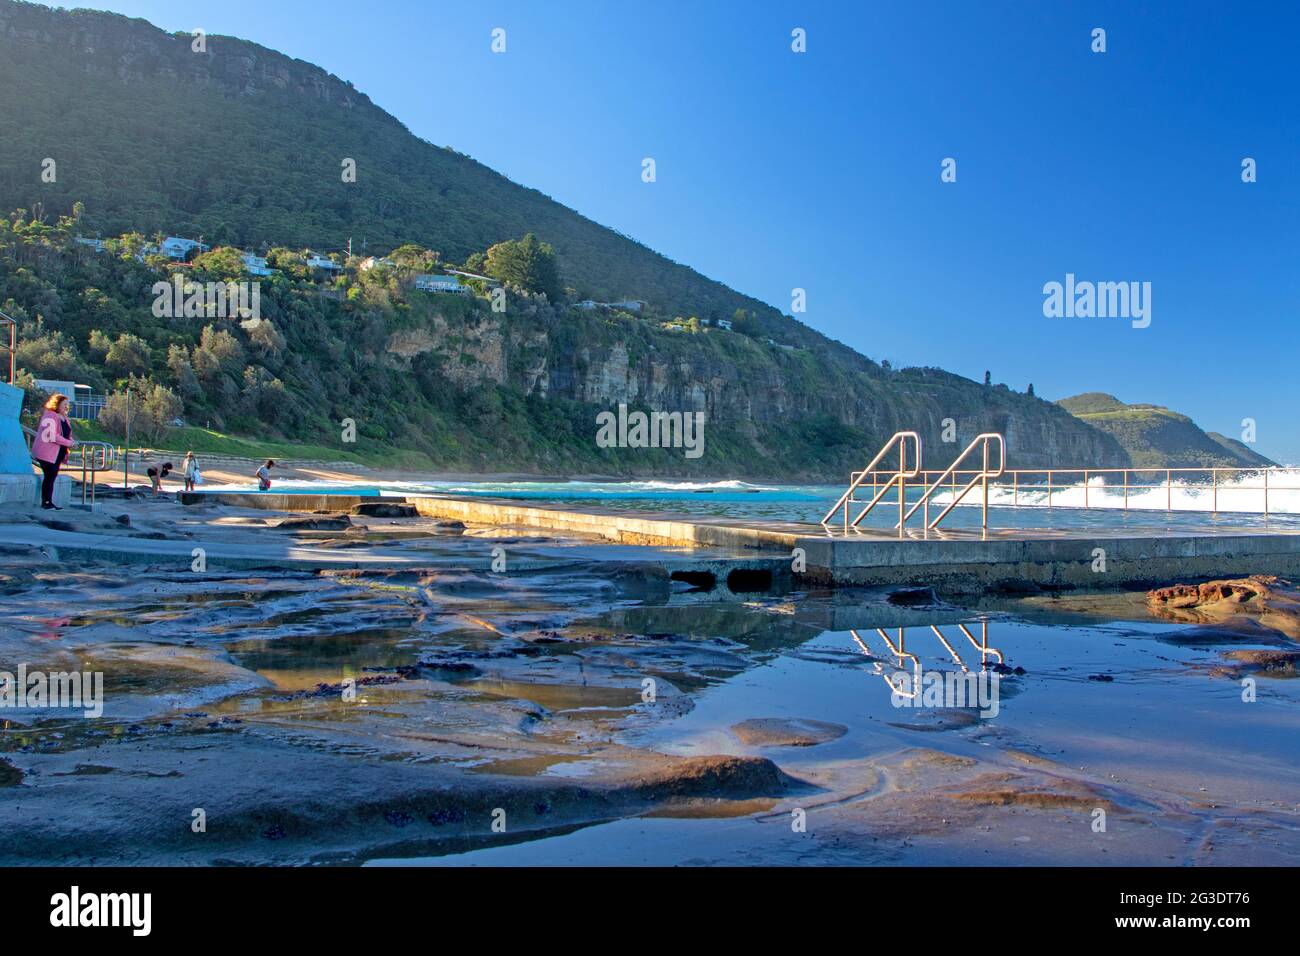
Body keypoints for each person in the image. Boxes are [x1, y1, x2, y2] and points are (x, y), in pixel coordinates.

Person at [30, 393, 78, 510]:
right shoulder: (50, 416)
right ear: (57, 404)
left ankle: (48, 502)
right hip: (46, 453)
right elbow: (51, 435)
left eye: (68, 404)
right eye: (64, 404)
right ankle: (46, 502)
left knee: (52, 477)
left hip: (57, 454)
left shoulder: (65, 418)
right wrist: (68, 443)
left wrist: (72, 442)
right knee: (49, 476)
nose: (67, 407)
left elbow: (66, 435)